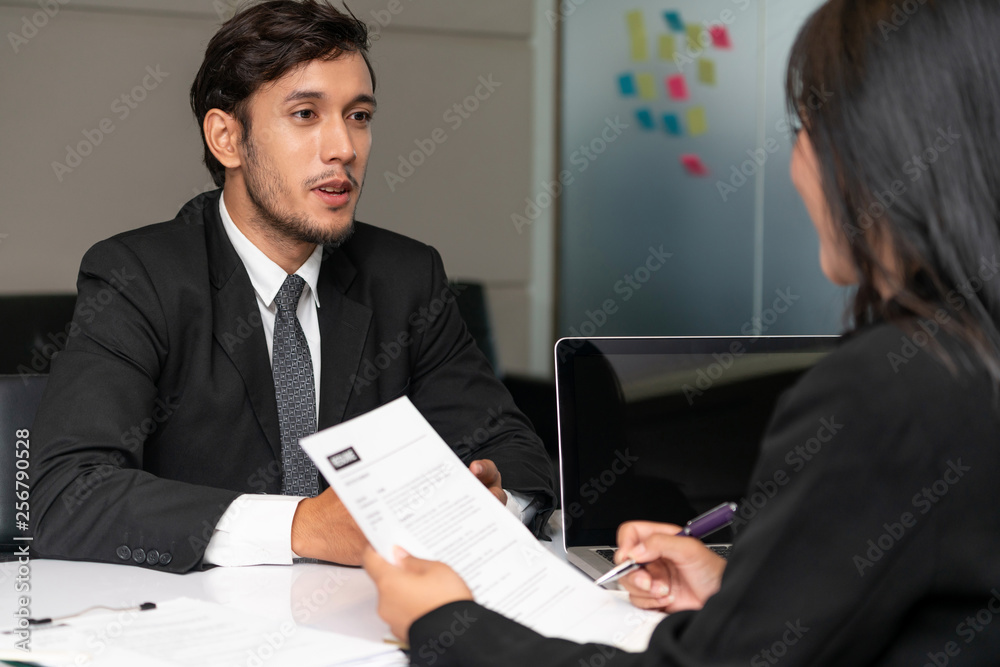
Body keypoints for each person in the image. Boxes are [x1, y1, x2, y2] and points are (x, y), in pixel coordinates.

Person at [362, 0, 1000, 663]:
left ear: (867, 147)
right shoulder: (969, 359)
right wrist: (748, 590)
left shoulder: (892, 390)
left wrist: (445, 622)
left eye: (803, 128)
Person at [30, 0, 555, 574]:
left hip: (375, 618)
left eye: (359, 116)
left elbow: (516, 454)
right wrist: (304, 526)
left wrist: (491, 502)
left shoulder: (406, 276)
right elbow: (65, 496)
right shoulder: (138, 277)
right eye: (306, 114)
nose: (344, 149)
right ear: (226, 138)